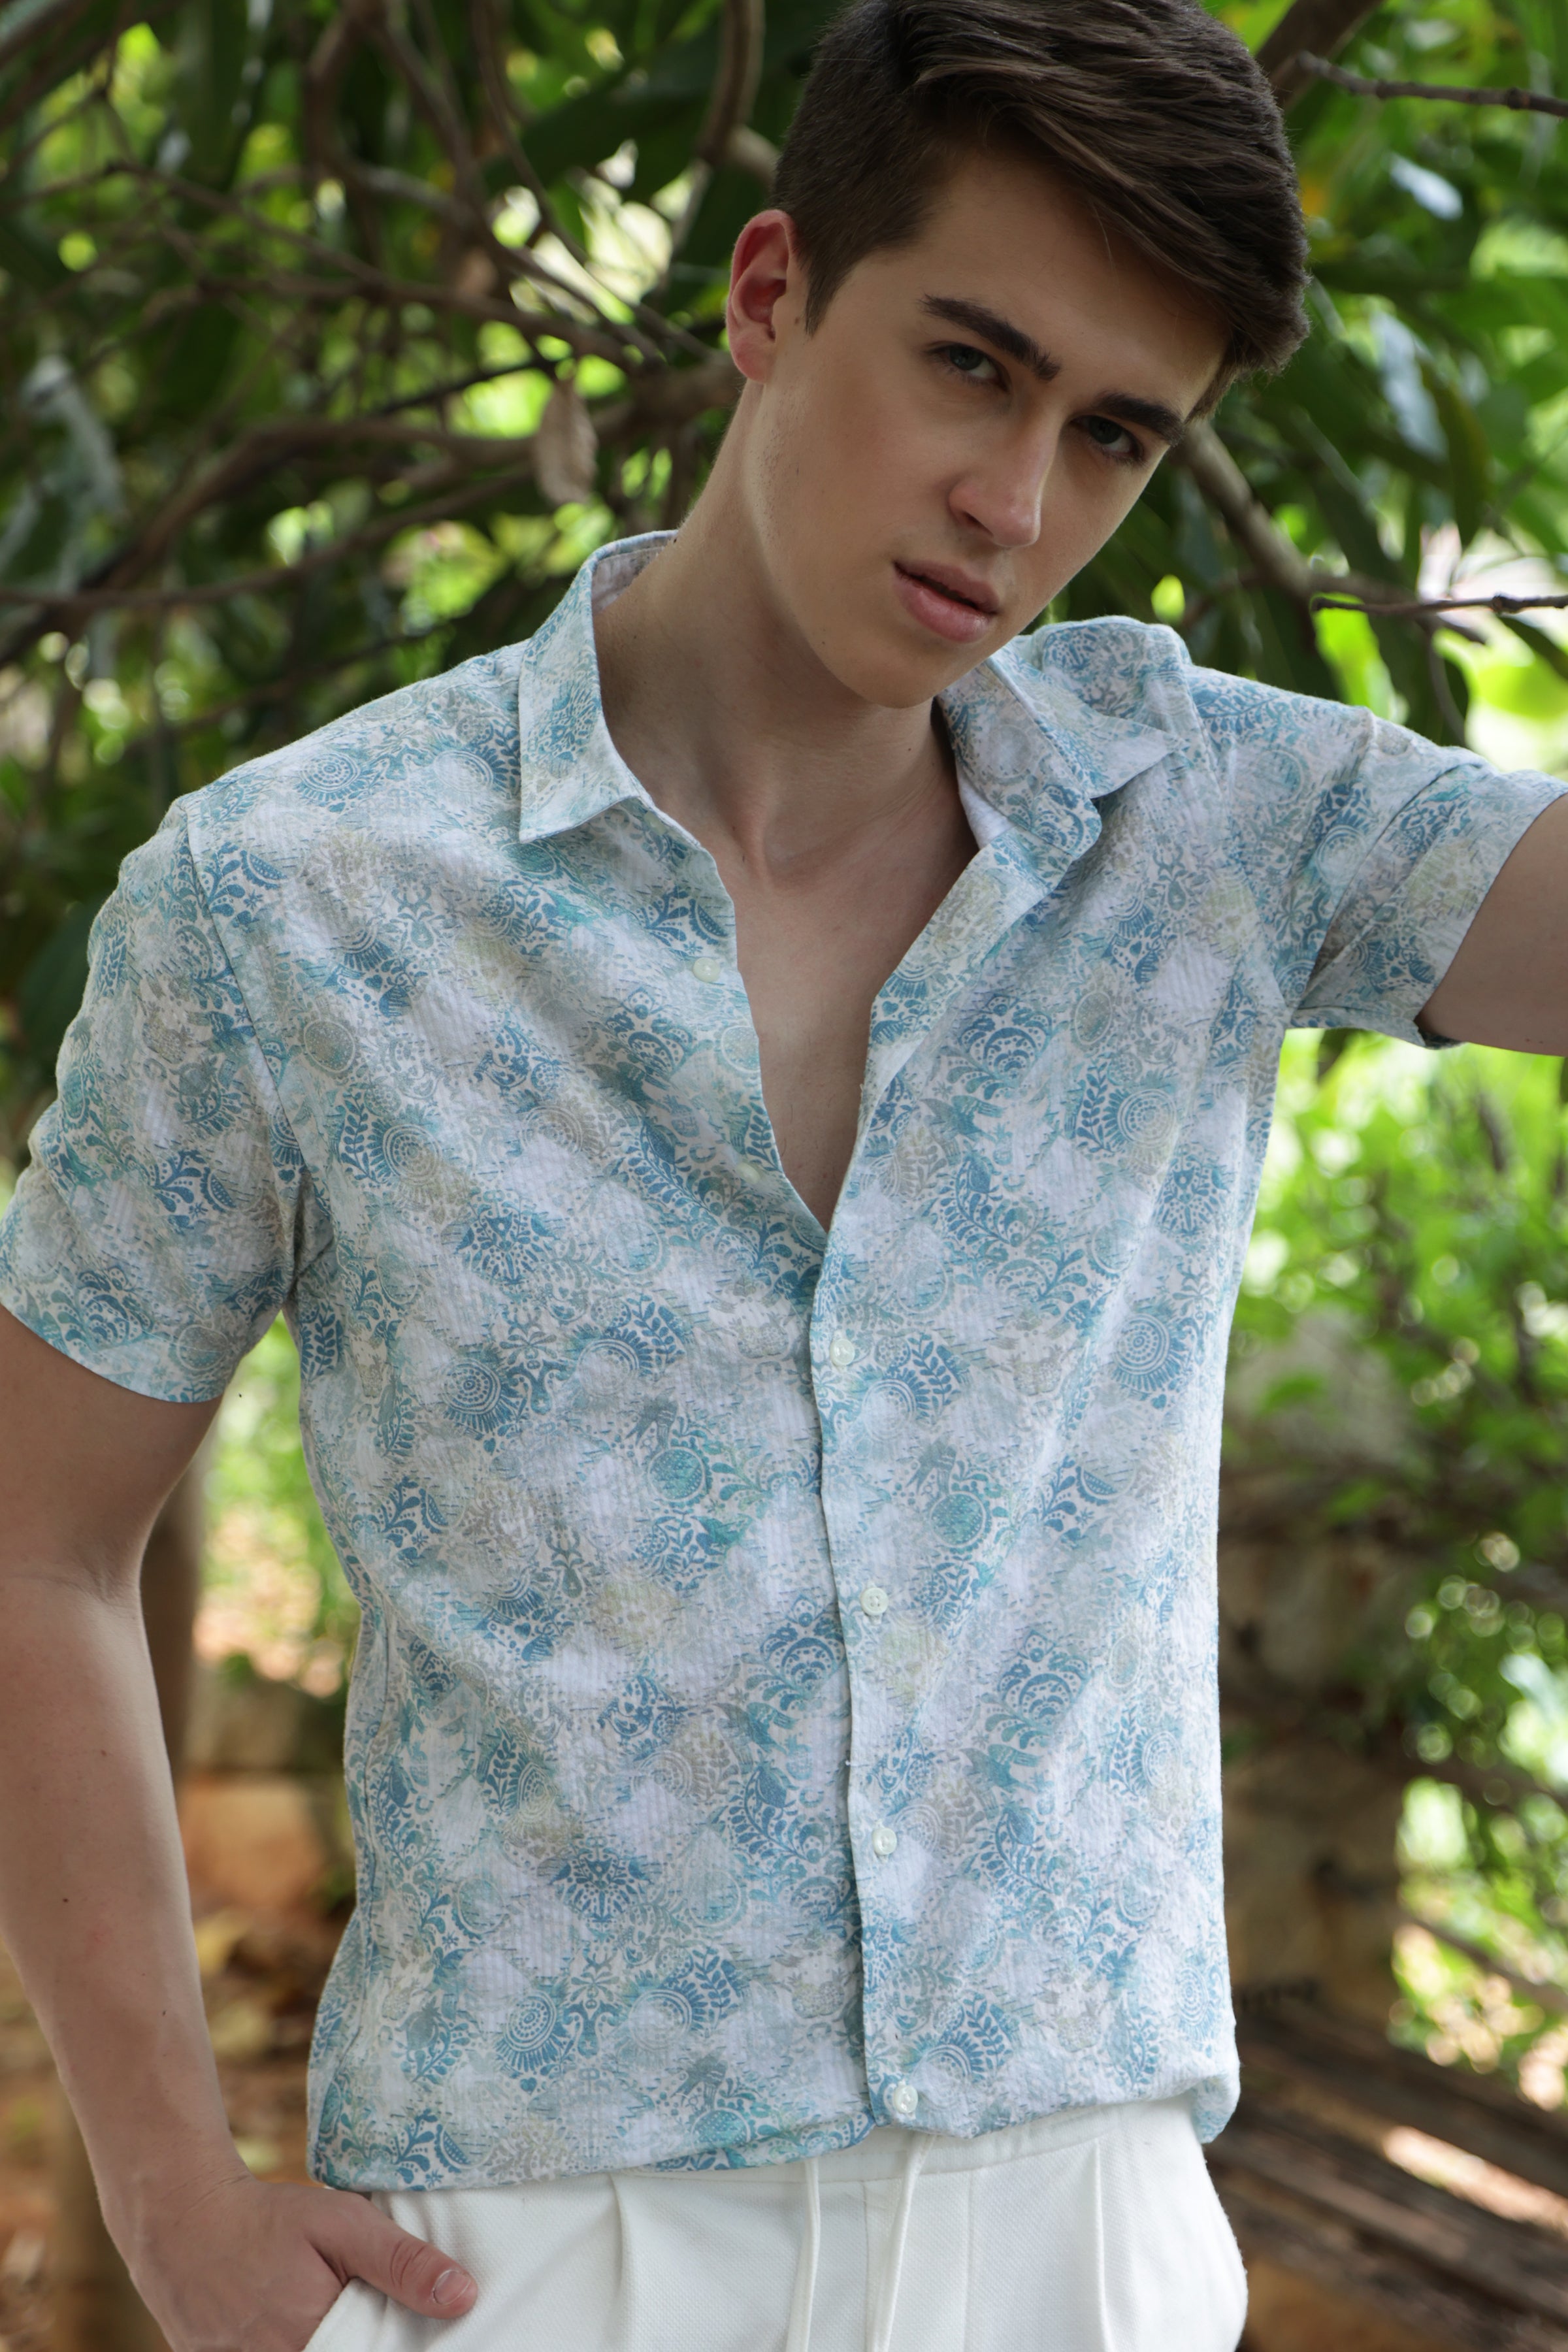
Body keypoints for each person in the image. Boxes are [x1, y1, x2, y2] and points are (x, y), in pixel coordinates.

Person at [3, 0, 1565, 2345]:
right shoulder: (294, 900)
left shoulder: (1223, 831)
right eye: (971, 366)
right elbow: (33, 1537)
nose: (1015, 501)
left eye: (1112, 433)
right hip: (540, 2248)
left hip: (1076, 2235)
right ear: (769, 295)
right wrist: (172, 2204)